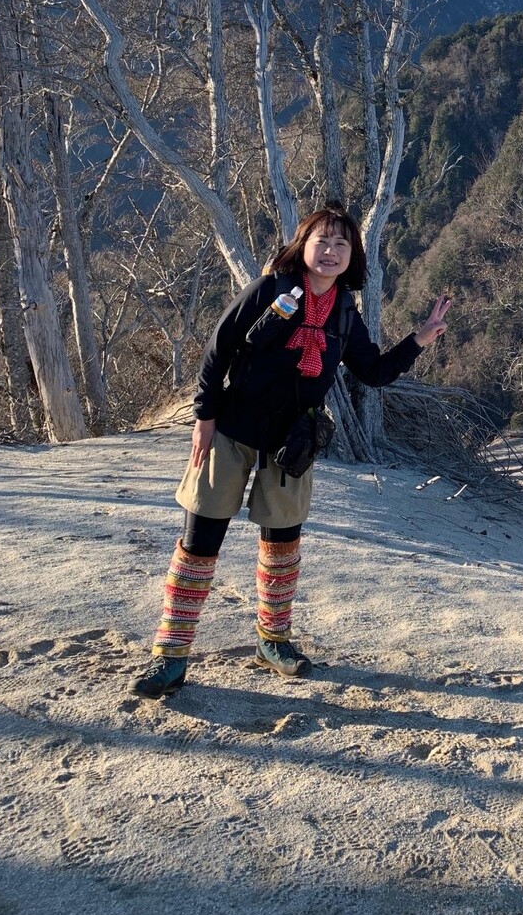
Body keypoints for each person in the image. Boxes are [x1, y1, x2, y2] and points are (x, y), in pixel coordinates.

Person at [131, 201, 450, 699]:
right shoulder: (270, 290)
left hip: (291, 442)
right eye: (321, 240)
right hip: (233, 427)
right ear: (302, 245)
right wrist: (204, 418)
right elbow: (219, 349)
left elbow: (373, 372)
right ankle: (170, 657)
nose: (330, 251)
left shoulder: (346, 313)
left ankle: (273, 641)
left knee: (282, 546)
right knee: (199, 542)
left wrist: (419, 340)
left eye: (341, 244)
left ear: (352, 256)